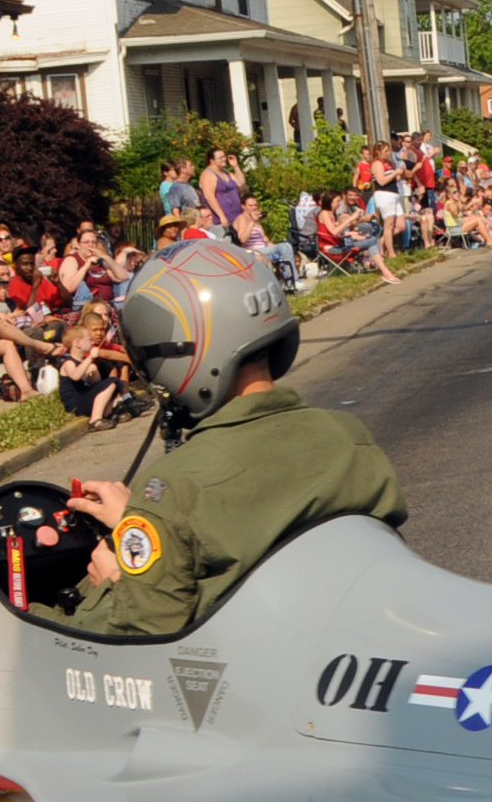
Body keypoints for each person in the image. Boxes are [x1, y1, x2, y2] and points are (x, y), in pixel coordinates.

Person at [62, 247, 406, 638]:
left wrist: (114, 581)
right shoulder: (350, 438)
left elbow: (138, 646)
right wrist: (141, 519)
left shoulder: (173, 489)